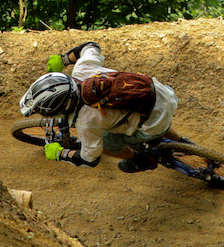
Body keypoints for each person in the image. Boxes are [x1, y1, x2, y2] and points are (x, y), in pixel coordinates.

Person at [18, 41, 185, 173]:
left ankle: (139, 160)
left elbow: (89, 160)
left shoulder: (86, 122)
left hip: (154, 123)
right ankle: (182, 142)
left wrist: (60, 154)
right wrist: (63, 59)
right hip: (164, 94)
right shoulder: (83, 69)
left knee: (105, 142)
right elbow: (90, 46)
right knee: (150, 113)